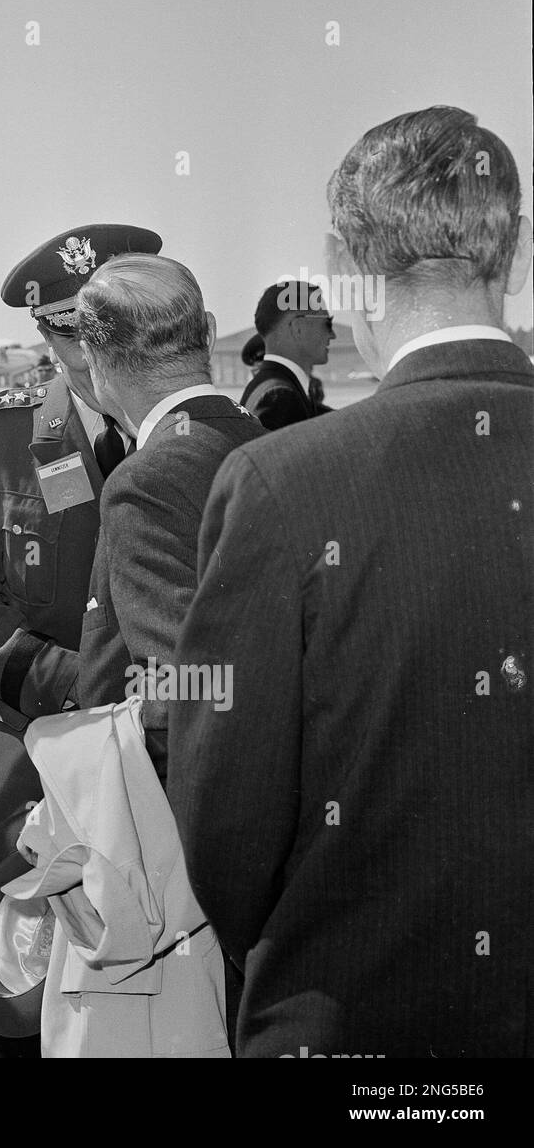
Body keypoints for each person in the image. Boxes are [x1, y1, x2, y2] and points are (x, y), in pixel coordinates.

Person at [170, 106, 534, 1058]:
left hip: (353, 1025)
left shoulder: (281, 485)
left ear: (350, 263)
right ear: (518, 249)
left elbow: (225, 821)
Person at [0, 222, 161, 1058]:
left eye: (106, 321)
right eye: (66, 327)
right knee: (21, 990)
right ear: (41, 332)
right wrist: (79, 682)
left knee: (158, 989)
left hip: (166, 759)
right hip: (30, 753)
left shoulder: (193, 430)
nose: (88, 348)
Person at [75, 255, 264, 783]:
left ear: (93, 358)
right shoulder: (274, 445)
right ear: (208, 332)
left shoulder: (143, 482)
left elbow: (181, 697)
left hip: (190, 809)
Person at [240, 281, 333, 428]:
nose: (332, 335)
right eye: (327, 323)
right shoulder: (279, 397)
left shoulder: (278, 390)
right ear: (298, 328)